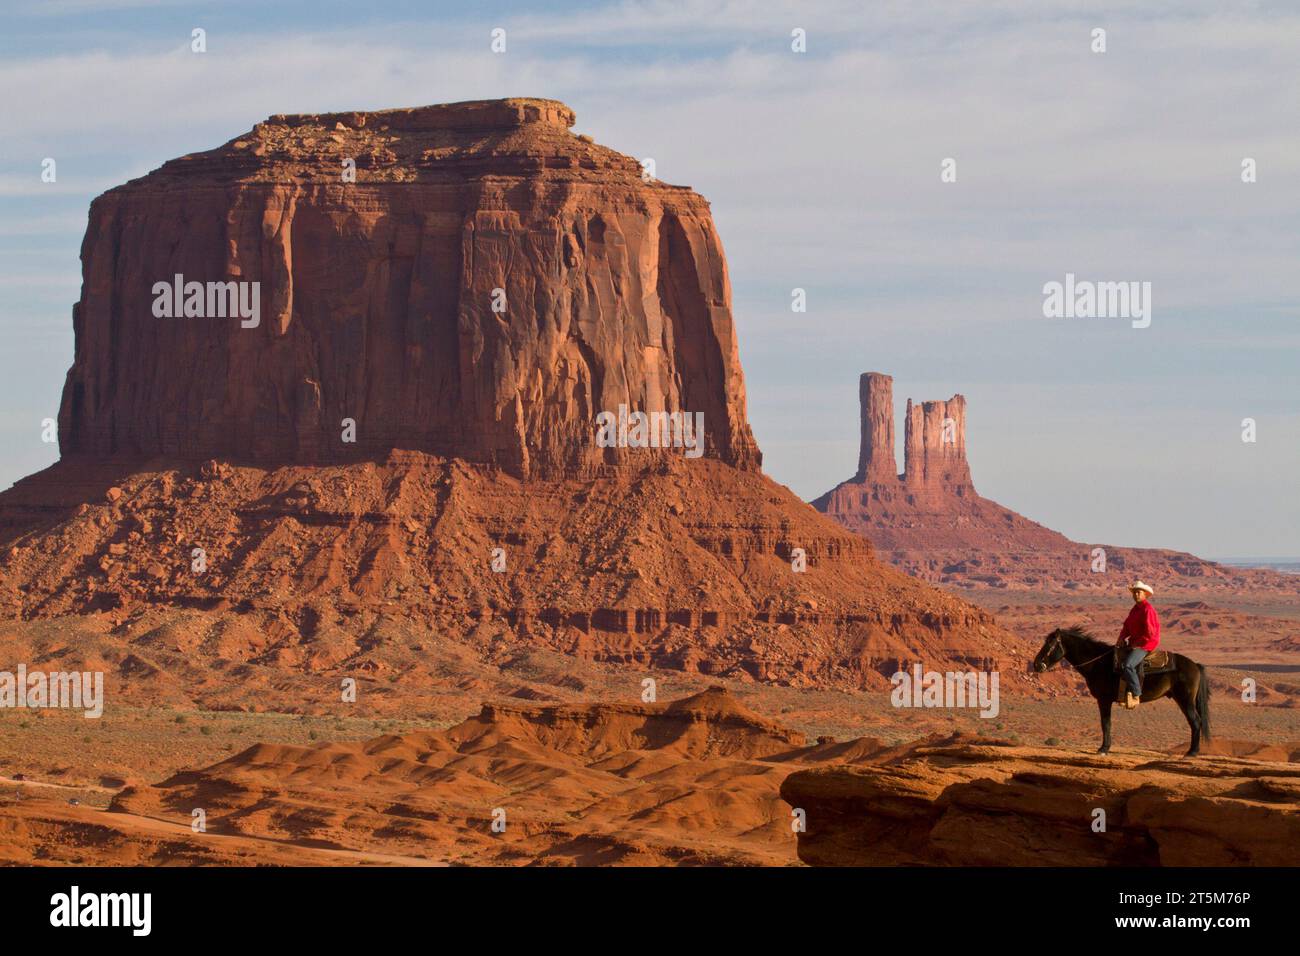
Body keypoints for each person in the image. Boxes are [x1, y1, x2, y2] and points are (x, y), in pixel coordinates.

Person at [1116, 581, 1160, 709]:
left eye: (1138, 592)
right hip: (1135, 642)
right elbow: (1127, 626)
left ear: (1145, 594)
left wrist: (1137, 644)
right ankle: (1122, 695)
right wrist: (1121, 638)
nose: (1136, 594)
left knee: (1128, 665)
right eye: (1134, 592)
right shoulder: (1134, 610)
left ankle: (1136, 694)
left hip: (1146, 644)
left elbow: (1150, 633)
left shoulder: (1148, 610)